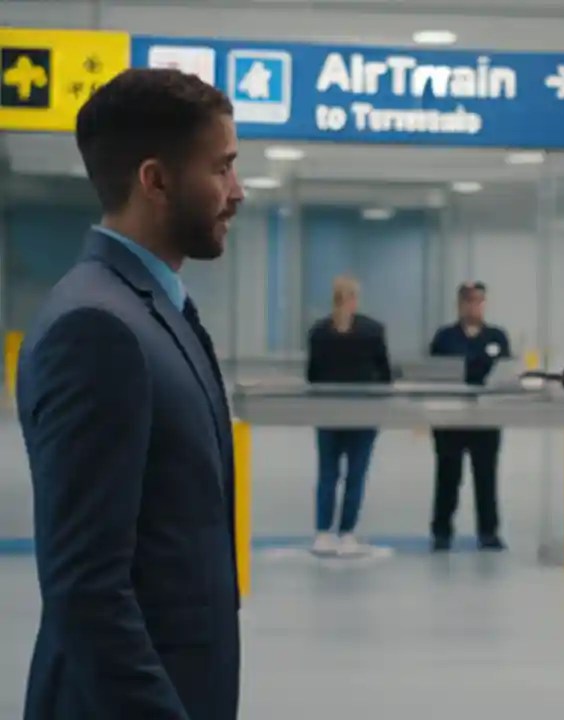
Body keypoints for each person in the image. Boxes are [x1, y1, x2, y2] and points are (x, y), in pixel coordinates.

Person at [16, 68, 245, 720]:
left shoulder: (150, 311)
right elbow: (86, 589)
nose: (238, 191)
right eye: (222, 168)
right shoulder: (97, 329)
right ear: (156, 180)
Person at [305, 275, 392, 557]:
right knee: (356, 474)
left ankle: (322, 532)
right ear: (354, 299)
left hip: (328, 410)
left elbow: (312, 374)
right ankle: (346, 533)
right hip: (363, 411)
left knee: (327, 474)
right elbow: (385, 373)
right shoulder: (373, 331)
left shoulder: (319, 331)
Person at [428, 281, 512, 551]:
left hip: (485, 417)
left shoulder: (497, 337)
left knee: (486, 476)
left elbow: (506, 373)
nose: (473, 306)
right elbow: (433, 374)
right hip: (450, 418)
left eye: (478, 300)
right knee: (448, 476)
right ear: (460, 304)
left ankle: (488, 531)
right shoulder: (445, 338)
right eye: (468, 301)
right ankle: (442, 531)